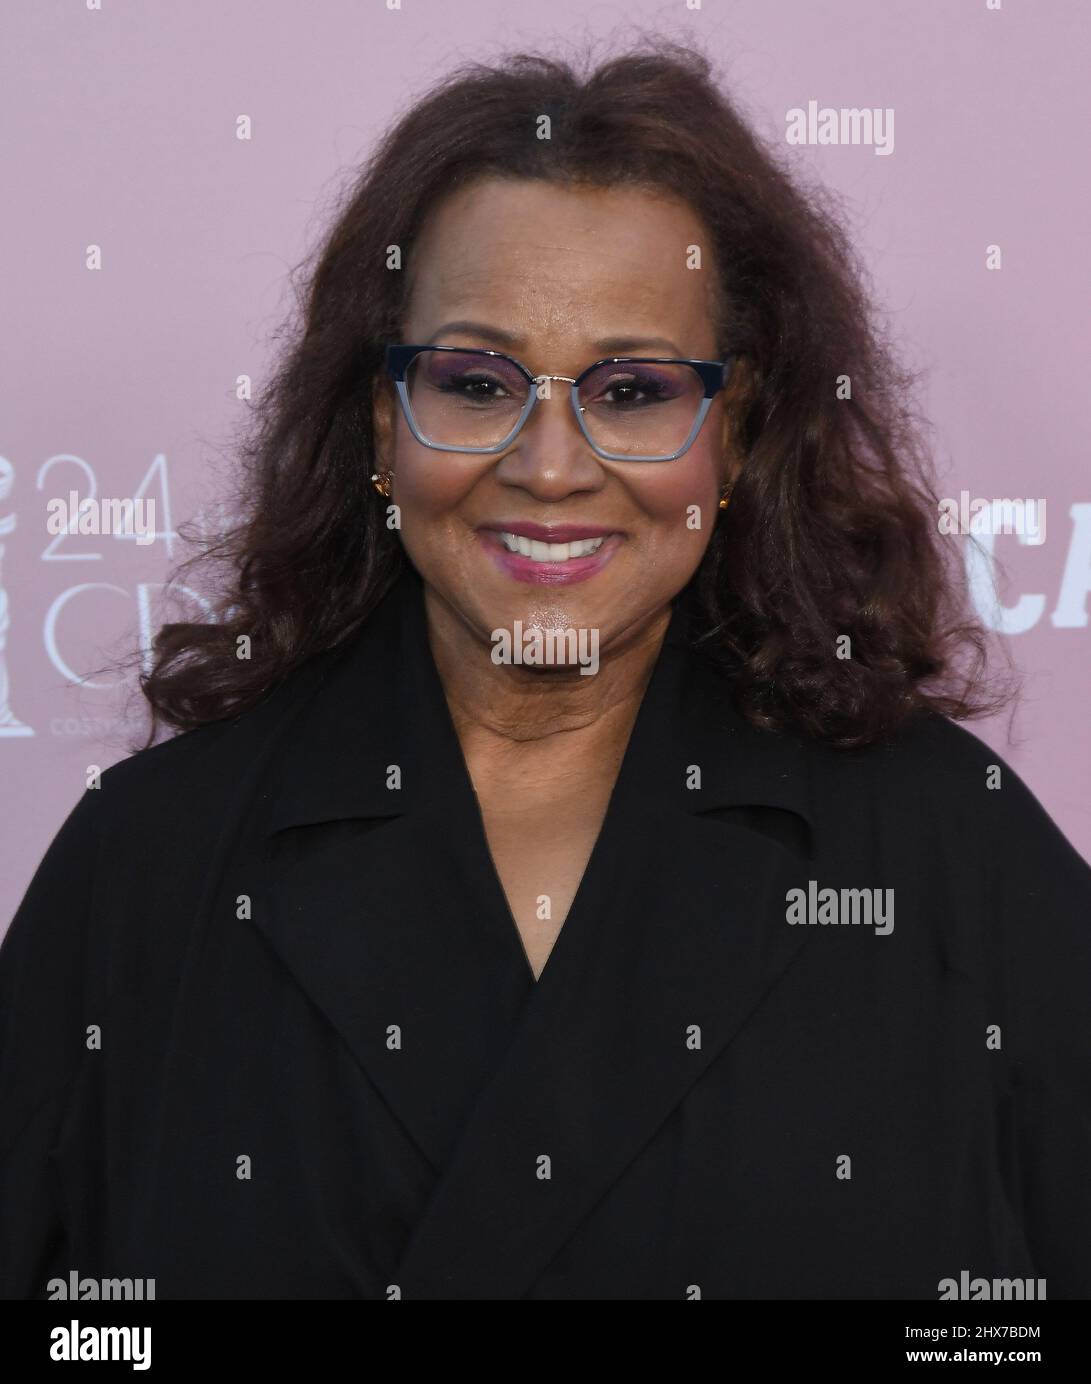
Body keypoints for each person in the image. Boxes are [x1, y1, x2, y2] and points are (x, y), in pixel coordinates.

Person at [2, 41, 1089, 1301]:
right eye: (474, 383)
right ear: (377, 426)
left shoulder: (952, 855)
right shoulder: (149, 866)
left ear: (731, 438)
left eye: (631, 390)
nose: (552, 465)